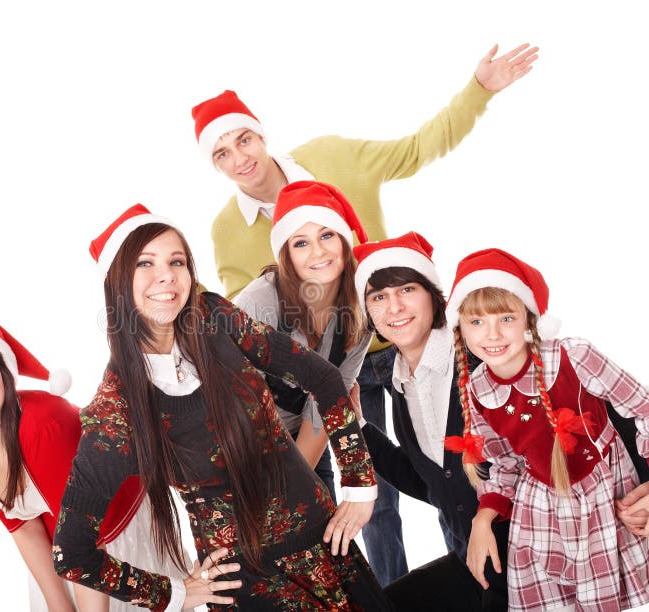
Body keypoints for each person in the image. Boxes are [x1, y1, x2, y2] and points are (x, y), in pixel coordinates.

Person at [191, 41, 539, 585]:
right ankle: (381, 591)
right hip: (318, 369)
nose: (240, 159)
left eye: (244, 139)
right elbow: (257, 339)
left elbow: (415, 150)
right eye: (221, 154)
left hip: (395, 342)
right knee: (365, 496)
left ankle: (475, 575)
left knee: (447, 465)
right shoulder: (228, 233)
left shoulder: (333, 156)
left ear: (261, 133)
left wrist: (478, 91)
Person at [52, 204, 391, 610]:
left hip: (326, 543)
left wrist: (359, 484)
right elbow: (71, 553)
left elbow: (321, 376)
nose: (166, 275)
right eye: (145, 263)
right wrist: (173, 593)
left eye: (177, 261)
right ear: (117, 283)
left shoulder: (214, 317)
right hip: (248, 584)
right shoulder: (115, 410)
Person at [0, 302, 181, 611]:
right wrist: (58, 604)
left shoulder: (44, 426)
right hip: (60, 549)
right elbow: (23, 526)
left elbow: (83, 544)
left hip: (111, 536)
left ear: (4, 371)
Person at [444, 248, 649, 611]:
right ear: (461, 327)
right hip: (539, 513)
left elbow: (643, 408)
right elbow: (505, 465)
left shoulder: (574, 357)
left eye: (506, 318)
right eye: (476, 322)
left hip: (602, 499)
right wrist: (483, 517)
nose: (492, 334)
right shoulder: (478, 389)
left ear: (529, 319)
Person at [349, 232, 508, 611]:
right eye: (378, 297)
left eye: (407, 289)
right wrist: (361, 427)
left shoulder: (478, 356)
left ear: (433, 295)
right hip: (472, 561)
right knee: (381, 605)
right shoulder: (401, 381)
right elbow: (431, 484)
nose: (394, 307)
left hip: (526, 554)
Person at [234, 180, 372, 501]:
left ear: (344, 241)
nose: (318, 252)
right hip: (242, 442)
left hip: (304, 440)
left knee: (322, 522)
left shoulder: (360, 313)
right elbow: (234, 400)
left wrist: (293, 487)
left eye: (327, 235)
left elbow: (324, 408)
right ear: (287, 255)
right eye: (301, 243)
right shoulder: (260, 302)